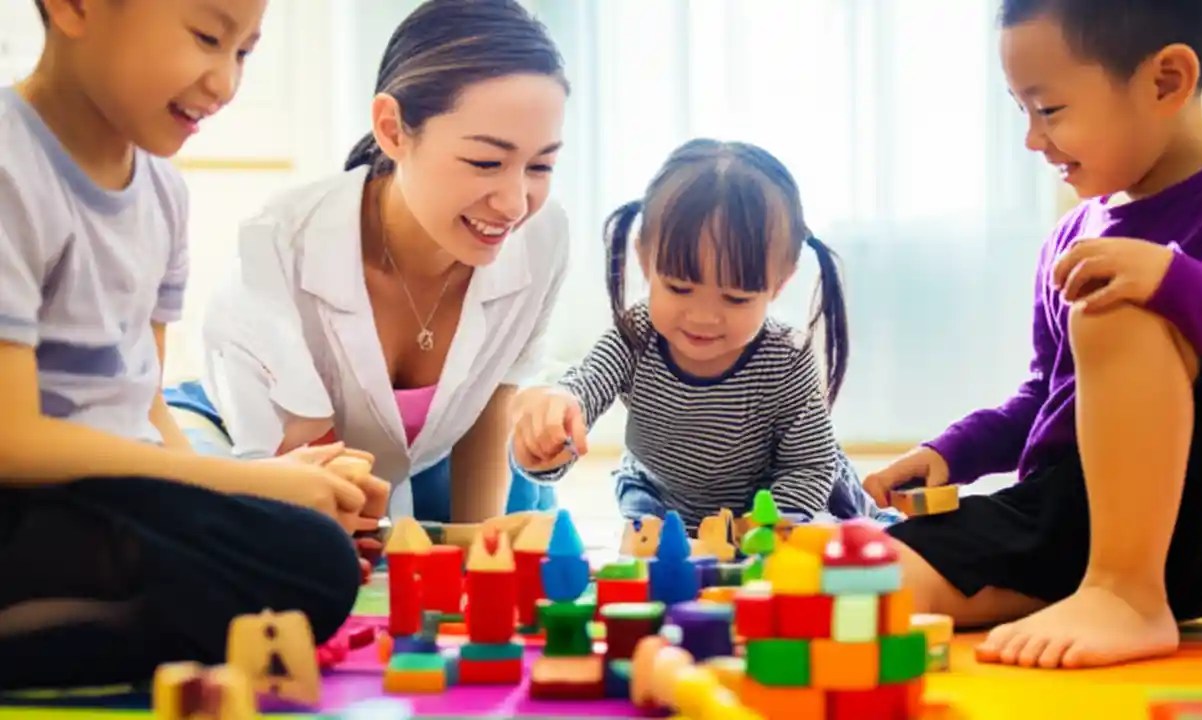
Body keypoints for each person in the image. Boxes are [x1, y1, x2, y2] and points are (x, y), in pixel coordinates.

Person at [864, 0, 1202, 670]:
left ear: (1166, 82)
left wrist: (1176, 284)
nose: (1033, 138)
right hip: (1065, 513)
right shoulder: (1073, 233)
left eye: (1049, 110)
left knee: (1115, 306)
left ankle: (1126, 593)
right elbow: (1045, 395)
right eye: (1021, 111)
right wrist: (952, 452)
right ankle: (1092, 593)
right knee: (865, 579)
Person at [0, 0, 383, 690]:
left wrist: (259, 497)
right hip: (22, 502)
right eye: (207, 37)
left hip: (105, 508)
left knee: (310, 551)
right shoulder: (11, 168)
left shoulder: (163, 195)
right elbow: (12, 440)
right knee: (304, 560)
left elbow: (143, 407)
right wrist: (251, 482)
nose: (225, 83)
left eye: (244, 52)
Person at [200, 0, 570, 523]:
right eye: (486, 162)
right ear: (392, 129)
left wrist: (479, 544)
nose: (514, 204)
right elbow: (315, 467)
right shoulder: (281, 244)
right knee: (229, 532)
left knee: (528, 517)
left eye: (541, 165)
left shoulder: (542, 236)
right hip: (269, 452)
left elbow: (493, 402)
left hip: (426, 459)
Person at [511, 139, 899, 530]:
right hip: (666, 503)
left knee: (855, 535)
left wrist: (758, 530)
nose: (703, 318)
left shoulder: (786, 358)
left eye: (736, 298)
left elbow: (809, 467)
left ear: (779, 283)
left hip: (779, 506)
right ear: (645, 260)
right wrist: (547, 436)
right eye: (679, 288)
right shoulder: (636, 336)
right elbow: (584, 388)